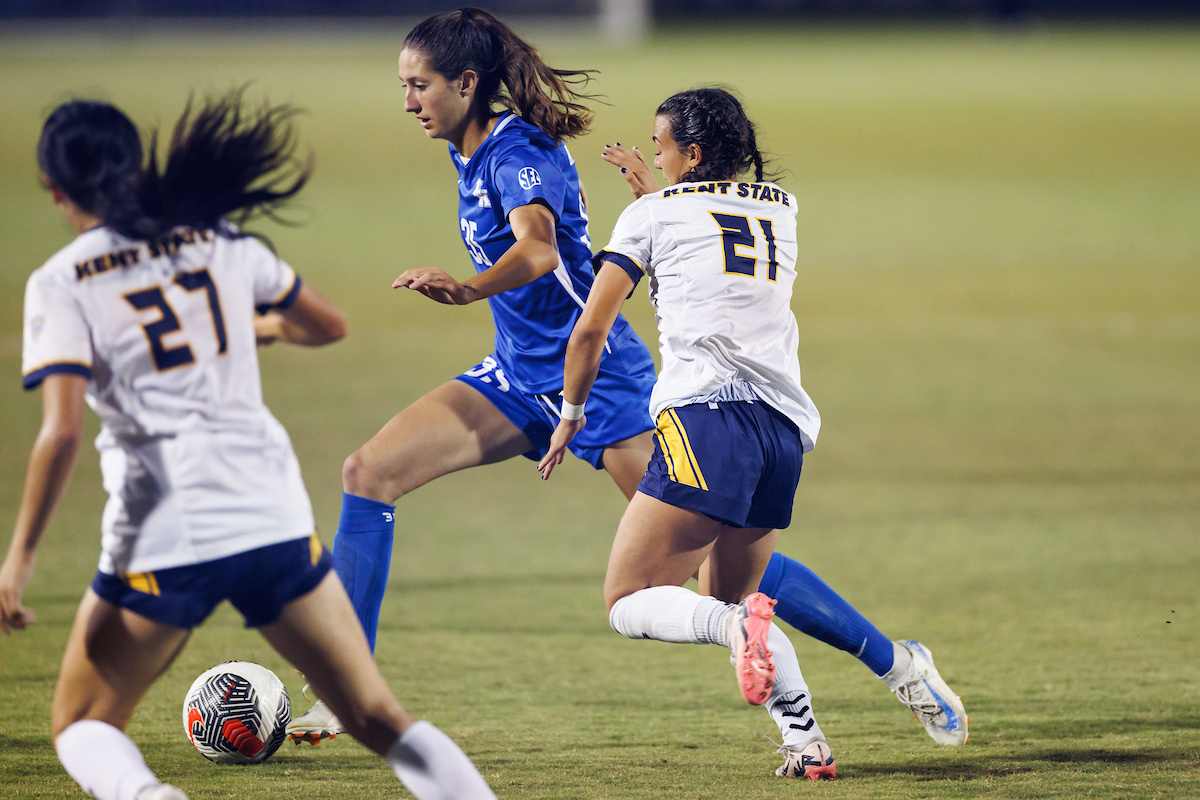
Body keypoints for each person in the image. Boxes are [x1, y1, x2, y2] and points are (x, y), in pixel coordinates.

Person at [290, 7, 966, 754]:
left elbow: (540, 252)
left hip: (602, 380)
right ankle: (342, 690)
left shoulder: (518, 153)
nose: (408, 101)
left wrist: (467, 287)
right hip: (518, 375)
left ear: (467, 83)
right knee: (368, 471)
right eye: (404, 86)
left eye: (419, 86)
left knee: (721, 571)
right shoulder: (472, 149)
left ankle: (895, 664)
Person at [0, 94, 496, 800]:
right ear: (136, 166)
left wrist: (18, 558)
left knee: (81, 723)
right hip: (273, 517)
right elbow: (327, 324)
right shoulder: (217, 239)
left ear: (53, 188)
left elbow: (62, 430)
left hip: (165, 530)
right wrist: (255, 327)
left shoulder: (61, 280)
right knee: (376, 715)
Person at [537, 87, 968, 778]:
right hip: (782, 434)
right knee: (736, 592)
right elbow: (703, 237)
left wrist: (570, 414)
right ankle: (811, 744)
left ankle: (740, 637)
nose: (652, 153)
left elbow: (591, 327)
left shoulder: (649, 216)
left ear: (694, 153)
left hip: (706, 423)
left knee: (629, 601)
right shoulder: (781, 209)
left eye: (661, 145)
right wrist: (657, 192)